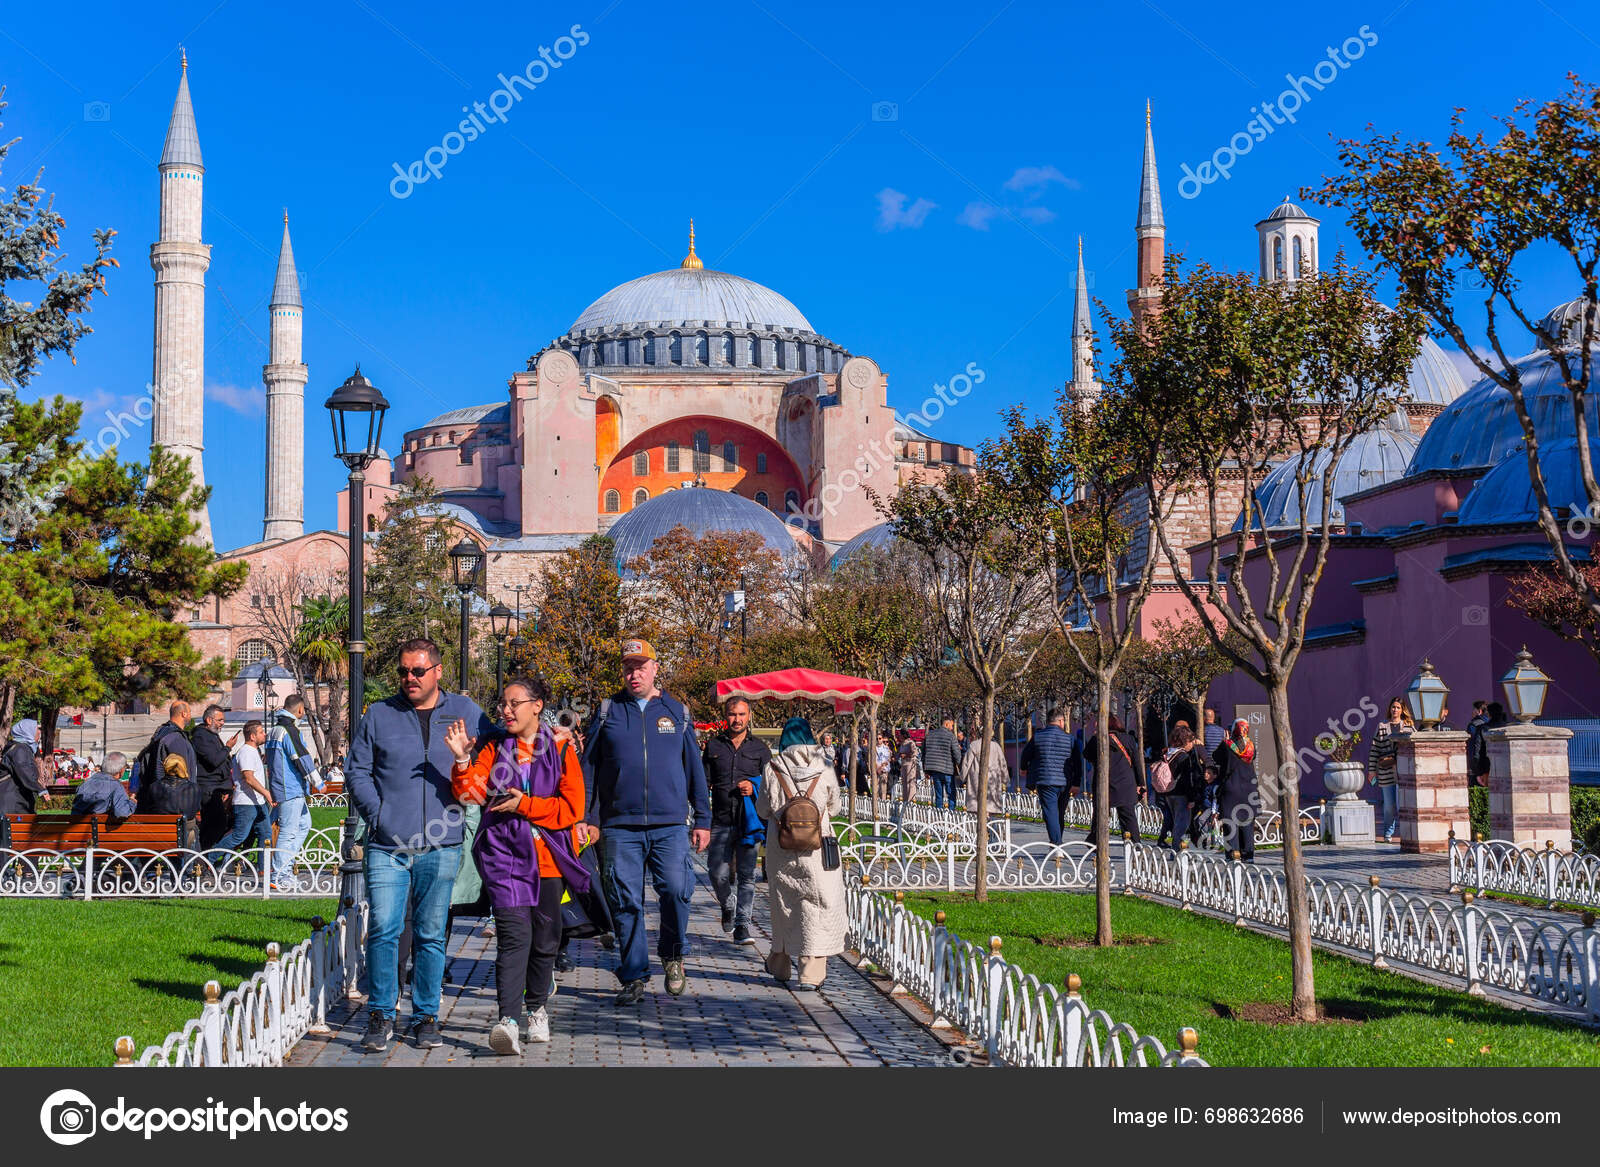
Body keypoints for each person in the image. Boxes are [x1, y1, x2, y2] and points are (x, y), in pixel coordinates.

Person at [347, 638, 495, 1054]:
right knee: (384, 930)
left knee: (431, 936)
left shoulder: (465, 712)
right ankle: (381, 1014)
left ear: (438, 671)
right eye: (403, 671)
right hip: (388, 846)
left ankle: (426, 1016)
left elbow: (503, 743)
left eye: (418, 671)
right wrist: (379, 815)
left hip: (441, 844)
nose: (409, 678)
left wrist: (548, 733)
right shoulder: (380, 714)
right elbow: (356, 770)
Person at [448, 676, 587, 1055]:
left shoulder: (559, 747)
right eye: (502, 705)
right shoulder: (495, 747)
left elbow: (571, 809)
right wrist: (462, 760)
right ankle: (507, 1021)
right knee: (513, 938)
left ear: (537, 705)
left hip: (548, 858)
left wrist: (525, 805)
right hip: (504, 856)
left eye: (514, 704)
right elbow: (470, 794)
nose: (505, 711)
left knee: (545, 940)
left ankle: (537, 1007)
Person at [582, 638, 710, 1006]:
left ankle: (672, 953)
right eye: (627, 667)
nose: (633, 673)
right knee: (625, 901)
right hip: (619, 826)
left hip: (669, 825)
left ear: (655, 668)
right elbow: (588, 771)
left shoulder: (677, 712)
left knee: (675, 889)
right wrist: (587, 818)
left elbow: (694, 771)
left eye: (640, 666)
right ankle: (634, 975)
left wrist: (702, 818)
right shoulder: (608, 712)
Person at [756, 716, 845, 990]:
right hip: (818, 848)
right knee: (816, 906)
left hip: (782, 849)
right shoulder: (825, 766)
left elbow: (762, 809)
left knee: (785, 905)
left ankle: (780, 964)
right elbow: (835, 807)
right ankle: (810, 973)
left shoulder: (773, 767)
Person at [701, 696, 770, 946]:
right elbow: (702, 783)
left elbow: (771, 785)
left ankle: (743, 925)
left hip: (749, 822)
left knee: (747, 876)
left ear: (748, 716)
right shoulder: (714, 746)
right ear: (726, 715)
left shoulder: (760, 749)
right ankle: (727, 904)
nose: (737, 719)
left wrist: (754, 787)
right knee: (716, 872)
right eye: (732, 714)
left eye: (741, 714)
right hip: (720, 820)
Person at [264, 694, 323, 890]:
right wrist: (318, 782)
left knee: (305, 824)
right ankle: (279, 874)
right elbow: (302, 758)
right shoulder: (289, 730)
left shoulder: (274, 730)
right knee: (288, 832)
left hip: (284, 787)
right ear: (299, 710)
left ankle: (284, 866)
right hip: (291, 789)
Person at [210, 721, 273, 865]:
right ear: (252, 736)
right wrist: (266, 793)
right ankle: (209, 859)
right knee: (239, 836)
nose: (264, 734)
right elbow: (249, 778)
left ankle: (263, 868)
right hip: (246, 803)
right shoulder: (246, 752)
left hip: (257, 802)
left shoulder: (253, 751)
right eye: (261, 732)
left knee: (265, 833)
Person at [1082, 715, 1143, 842]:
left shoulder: (1097, 740)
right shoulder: (1128, 739)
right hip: (1125, 784)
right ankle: (1135, 846)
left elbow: (1086, 754)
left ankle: (1096, 844)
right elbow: (1137, 762)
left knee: (1100, 816)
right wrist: (1141, 783)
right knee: (1128, 817)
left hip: (1104, 784)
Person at [1020, 711, 1075, 844]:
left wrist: (1023, 768)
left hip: (1045, 779)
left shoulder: (1038, 736)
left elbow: (1026, 754)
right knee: (1059, 812)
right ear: (1061, 721)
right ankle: (1056, 842)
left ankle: (1056, 844)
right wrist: (1076, 782)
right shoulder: (1070, 738)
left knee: (1050, 812)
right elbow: (1076, 761)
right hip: (1065, 781)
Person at [134, 702, 197, 811]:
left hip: (161, 802)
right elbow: (180, 772)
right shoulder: (175, 739)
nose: (191, 716)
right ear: (184, 714)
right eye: (190, 712)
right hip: (175, 804)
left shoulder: (162, 734)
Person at [1213, 718, 1260, 861]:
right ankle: (1248, 855)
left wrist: (1224, 741)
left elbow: (1216, 757)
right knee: (1247, 822)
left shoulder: (1227, 745)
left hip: (1231, 788)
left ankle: (1232, 853)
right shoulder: (1251, 747)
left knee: (1230, 822)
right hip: (1249, 789)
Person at [190, 705, 236, 850]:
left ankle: (202, 856)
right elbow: (214, 760)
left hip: (216, 787)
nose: (222, 723)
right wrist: (228, 747)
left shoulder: (211, 735)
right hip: (208, 788)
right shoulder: (201, 736)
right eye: (220, 720)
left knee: (214, 823)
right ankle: (203, 854)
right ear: (209, 720)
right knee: (218, 823)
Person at [1368, 698, 1412, 843]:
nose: (1395, 710)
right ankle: (1388, 833)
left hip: (1404, 772)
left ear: (1402, 710)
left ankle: (1408, 834)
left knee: (1404, 804)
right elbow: (1374, 749)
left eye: (1398, 707)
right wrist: (1372, 770)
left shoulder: (1408, 726)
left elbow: (1416, 744)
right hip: (1386, 771)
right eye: (1393, 707)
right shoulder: (1382, 726)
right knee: (1389, 805)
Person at [1160, 726, 1209, 851]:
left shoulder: (1168, 753)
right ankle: (1177, 851)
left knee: (1176, 821)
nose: (1192, 744)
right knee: (1181, 825)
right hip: (1181, 794)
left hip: (1168, 793)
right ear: (1185, 741)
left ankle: (1177, 849)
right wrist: (1192, 798)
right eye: (1190, 741)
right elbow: (1188, 779)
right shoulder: (1183, 757)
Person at [0, 718, 47, 820]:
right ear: (27, 731)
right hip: (13, 804)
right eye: (37, 729)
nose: (40, 732)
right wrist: (40, 789)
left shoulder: (20, 747)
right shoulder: (20, 749)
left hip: (16, 801)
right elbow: (24, 770)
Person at [71, 752, 136, 818]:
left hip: (77, 826)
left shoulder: (86, 783)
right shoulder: (116, 785)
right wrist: (132, 802)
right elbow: (122, 813)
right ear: (121, 770)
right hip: (99, 827)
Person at [961, 731, 1010, 816]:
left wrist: (963, 777)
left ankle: (980, 825)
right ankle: (987, 823)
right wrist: (1005, 780)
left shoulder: (974, 745)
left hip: (977, 777)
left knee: (977, 803)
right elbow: (1003, 764)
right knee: (990, 803)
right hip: (993, 776)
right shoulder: (996, 746)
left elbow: (966, 763)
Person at [921, 715, 960, 811]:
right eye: (951, 725)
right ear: (946, 724)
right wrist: (960, 765)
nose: (952, 728)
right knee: (951, 794)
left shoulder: (930, 735)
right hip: (947, 769)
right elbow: (957, 754)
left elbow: (924, 753)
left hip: (934, 769)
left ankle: (939, 814)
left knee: (938, 795)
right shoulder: (951, 736)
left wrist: (925, 769)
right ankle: (951, 814)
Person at [1466, 700, 1491, 787]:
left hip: (1478, 765)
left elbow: (1473, 746)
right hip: (1490, 763)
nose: (1472, 712)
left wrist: (1474, 768)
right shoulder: (1490, 724)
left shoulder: (1473, 725)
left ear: (1479, 711)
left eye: (1474, 710)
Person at [896, 731, 923, 804]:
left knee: (910, 782)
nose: (899, 737)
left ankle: (911, 801)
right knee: (904, 783)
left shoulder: (910, 743)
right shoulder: (902, 744)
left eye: (900, 735)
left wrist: (906, 755)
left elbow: (915, 753)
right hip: (903, 764)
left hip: (910, 763)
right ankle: (905, 800)